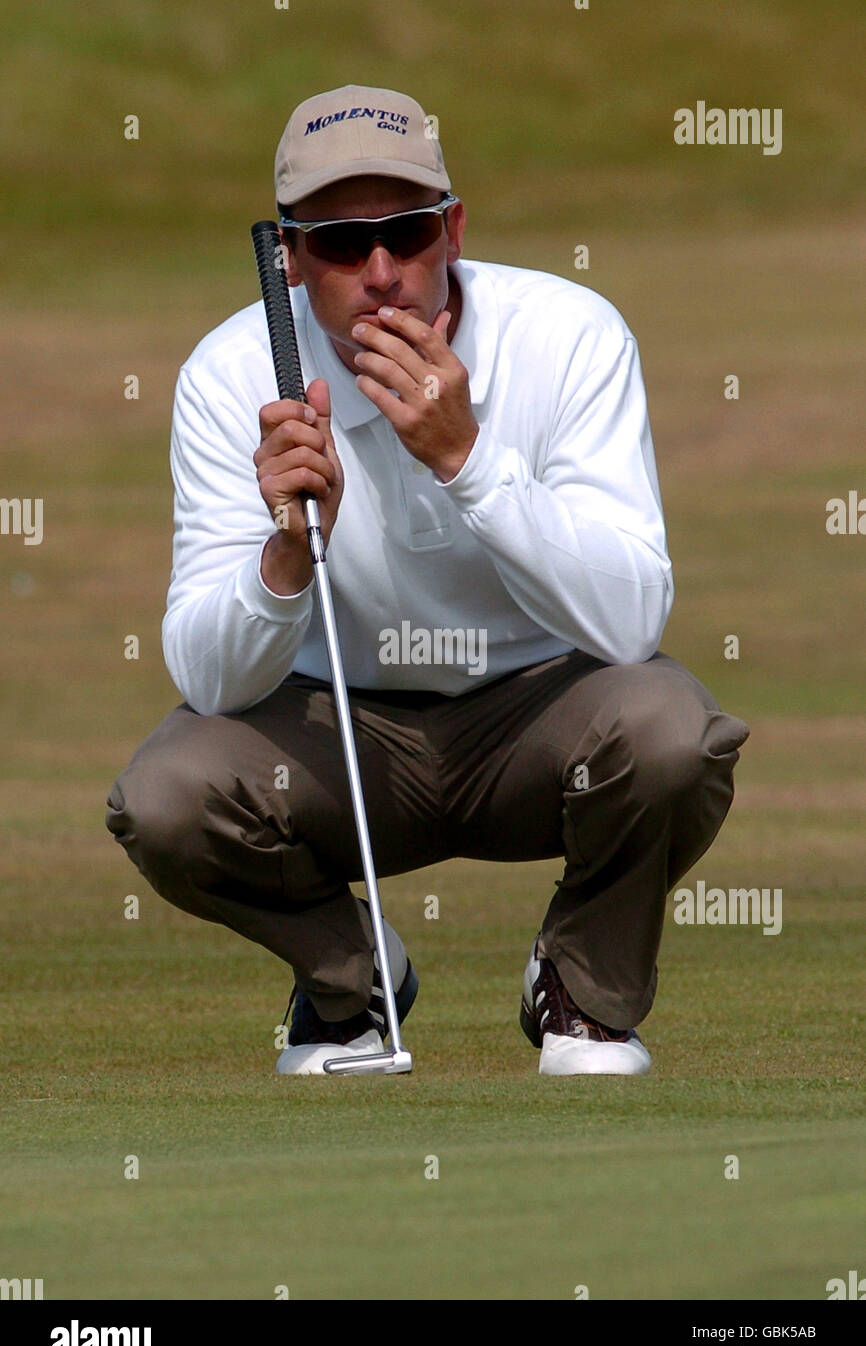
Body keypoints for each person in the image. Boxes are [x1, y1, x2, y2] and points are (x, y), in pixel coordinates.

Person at [106, 84, 749, 1077]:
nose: (380, 274)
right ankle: (352, 983)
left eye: (405, 233)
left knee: (673, 733)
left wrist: (467, 460)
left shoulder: (569, 334)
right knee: (164, 797)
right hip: (336, 735)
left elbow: (631, 620)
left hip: (543, 714)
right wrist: (284, 558)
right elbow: (208, 680)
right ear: (288, 257)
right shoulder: (229, 373)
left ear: (451, 230)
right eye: (338, 244)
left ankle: (582, 992)